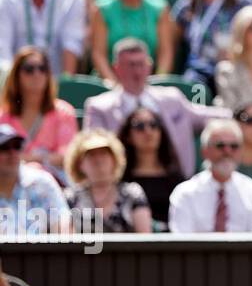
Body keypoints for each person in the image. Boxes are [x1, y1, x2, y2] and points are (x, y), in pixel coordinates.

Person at [84, 38, 231, 179]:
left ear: (149, 66)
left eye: (141, 64)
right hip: (123, 184)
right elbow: (93, 149)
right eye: (131, 65)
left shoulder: (172, 98)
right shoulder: (99, 107)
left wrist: (241, 116)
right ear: (117, 68)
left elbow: (204, 116)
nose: (137, 71)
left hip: (174, 180)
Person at [167, 120, 252, 232]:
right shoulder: (185, 193)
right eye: (220, 145)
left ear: (241, 151)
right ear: (204, 151)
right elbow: (182, 242)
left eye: (234, 146)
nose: (227, 151)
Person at [0, 46, 77, 181]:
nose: (37, 74)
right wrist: (44, 158)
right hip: (12, 185)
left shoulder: (64, 112)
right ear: (16, 75)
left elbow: (67, 156)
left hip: (54, 185)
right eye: (29, 69)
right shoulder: (4, 116)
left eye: (42, 68)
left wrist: (31, 160)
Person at [63, 128, 150, 233]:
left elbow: (145, 237)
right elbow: (65, 239)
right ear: (79, 164)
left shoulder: (132, 194)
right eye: (91, 155)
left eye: (103, 153)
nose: (98, 160)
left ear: (114, 159)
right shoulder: (71, 198)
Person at [116, 105, 186, 227]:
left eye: (154, 125)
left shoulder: (176, 179)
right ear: (128, 136)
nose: (148, 131)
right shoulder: (119, 179)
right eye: (139, 126)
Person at [0, 123, 71, 235]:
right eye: (4, 148)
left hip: (42, 252)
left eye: (17, 146)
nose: (12, 153)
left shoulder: (42, 182)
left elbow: (63, 223)